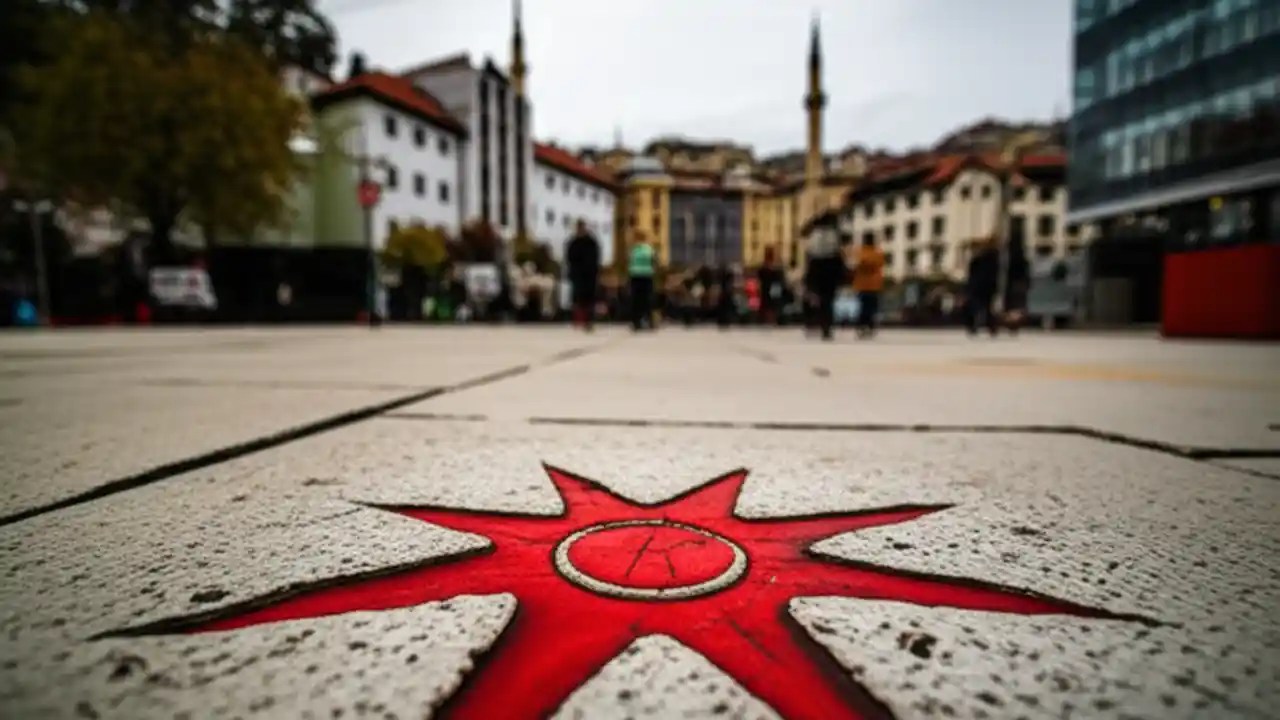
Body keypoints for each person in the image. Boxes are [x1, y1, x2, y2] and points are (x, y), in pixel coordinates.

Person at [803, 211, 847, 341]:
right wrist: (842, 273)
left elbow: (810, 255)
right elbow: (838, 254)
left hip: (818, 266)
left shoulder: (815, 234)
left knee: (821, 299)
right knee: (828, 299)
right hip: (830, 267)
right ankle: (826, 326)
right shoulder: (834, 233)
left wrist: (809, 276)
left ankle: (822, 323)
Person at [565, 220, 601, 332]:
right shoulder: (573, 242)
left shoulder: (591, 241)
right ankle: (578, 320)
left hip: (590, 274)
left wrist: (595, 269)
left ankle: (589, 321)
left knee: (590, 297)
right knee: (577, 297)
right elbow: (569, 257)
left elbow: (596, 256)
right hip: (578, 274)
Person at [852, 235, 886, 337]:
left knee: (863, 308)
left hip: (862, 285)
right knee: (871, 308)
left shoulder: (859, 253)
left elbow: (857, 266)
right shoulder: (877, 253)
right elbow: (880, 264)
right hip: (874, 286)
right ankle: (869, 326)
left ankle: (862, 326)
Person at [965, 237, 1000, 336]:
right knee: (986, 307)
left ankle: (979, 326)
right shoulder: (991, 258)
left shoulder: (981, 259)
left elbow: (972, 274)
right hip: (985, 286)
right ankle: (990, 327)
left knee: (977, 307)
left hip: (979, 286)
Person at [628, 233, 656, 331]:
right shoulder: (649, 249)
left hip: (635, 275)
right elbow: (654, 261)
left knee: (636, 300)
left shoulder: (634, 250)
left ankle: (636, 322)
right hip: (647, 275)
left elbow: (630, 262)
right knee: (647, 299)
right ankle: (650, 321)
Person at [757, 247, 784, 326]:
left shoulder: (774, 266)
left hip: (772, 288)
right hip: (768, 288)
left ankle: (771, 319)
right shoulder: (766, 267)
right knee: (769, 303)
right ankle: (769, 319)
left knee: (772, 303)